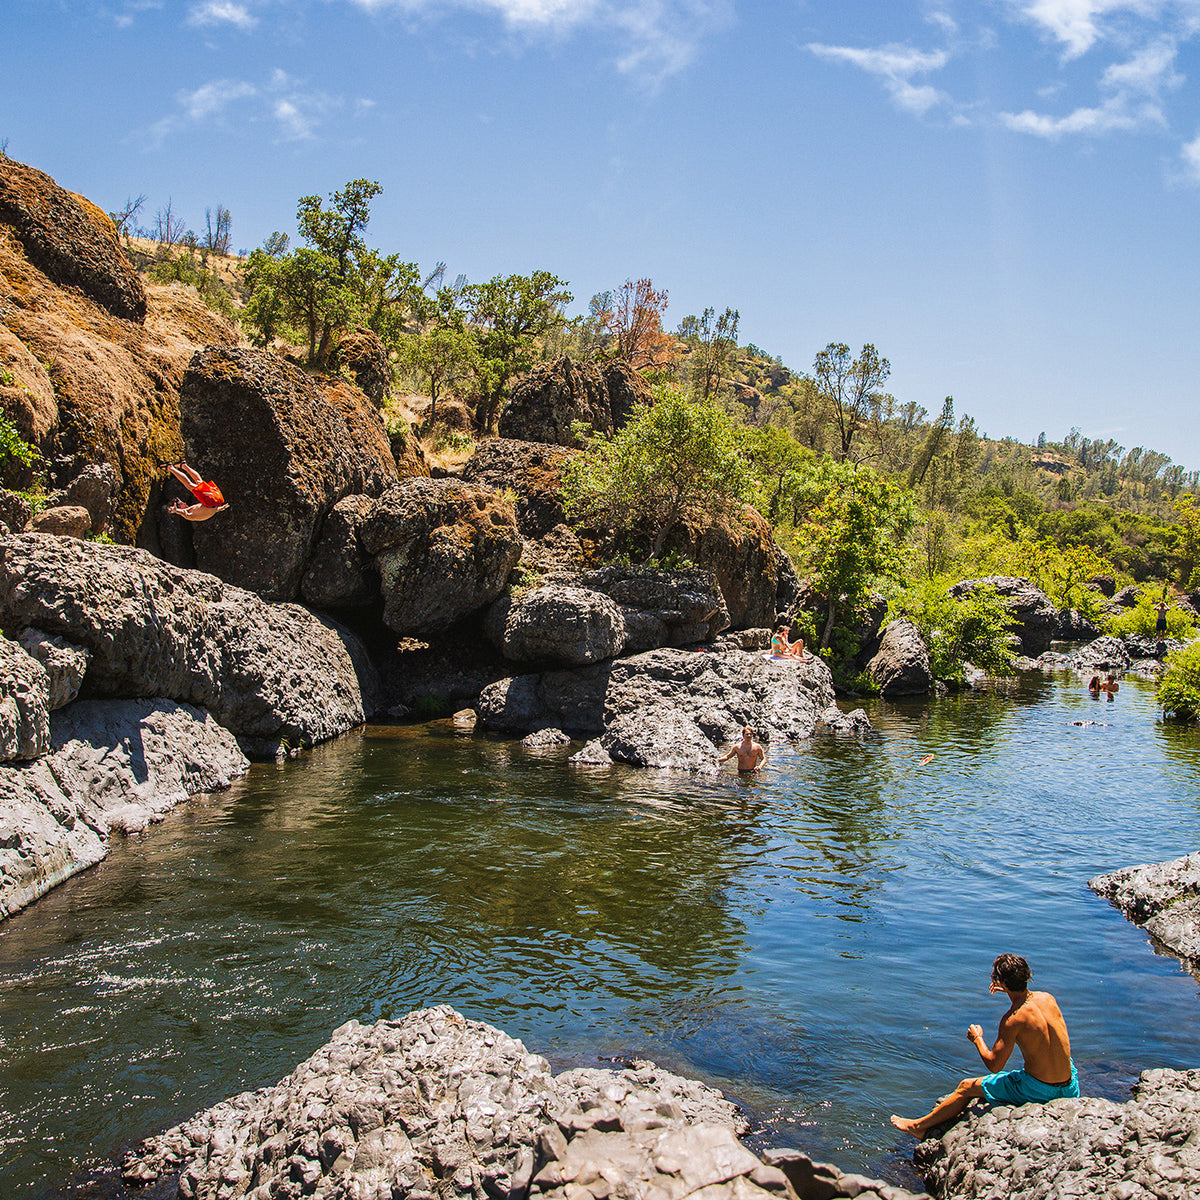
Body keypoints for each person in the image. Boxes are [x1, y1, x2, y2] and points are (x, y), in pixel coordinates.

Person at [891, 954, 1078, 1140]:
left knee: (965, 1087)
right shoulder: (1048, 999)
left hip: (1040, 1091)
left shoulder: (1012, 1020)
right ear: (1027, 976)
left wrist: (978, 1039)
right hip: (1070, 1088)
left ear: (1002, 983)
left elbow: (994, 1065)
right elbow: (1026, 1003)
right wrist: (1009, 988)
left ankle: (917, 1126)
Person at [164, 461, 229, 522]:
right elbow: (184, 512)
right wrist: (176, 511)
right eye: (180, 504)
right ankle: (170, 467)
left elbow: (208, 511)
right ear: (179, 508)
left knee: (199, 482)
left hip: (217, 501)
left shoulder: (192, 510)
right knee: (190, 485)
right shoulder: (188, 516)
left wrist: (220, 508)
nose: (184, 503)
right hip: (212, 501)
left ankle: (183, 465)